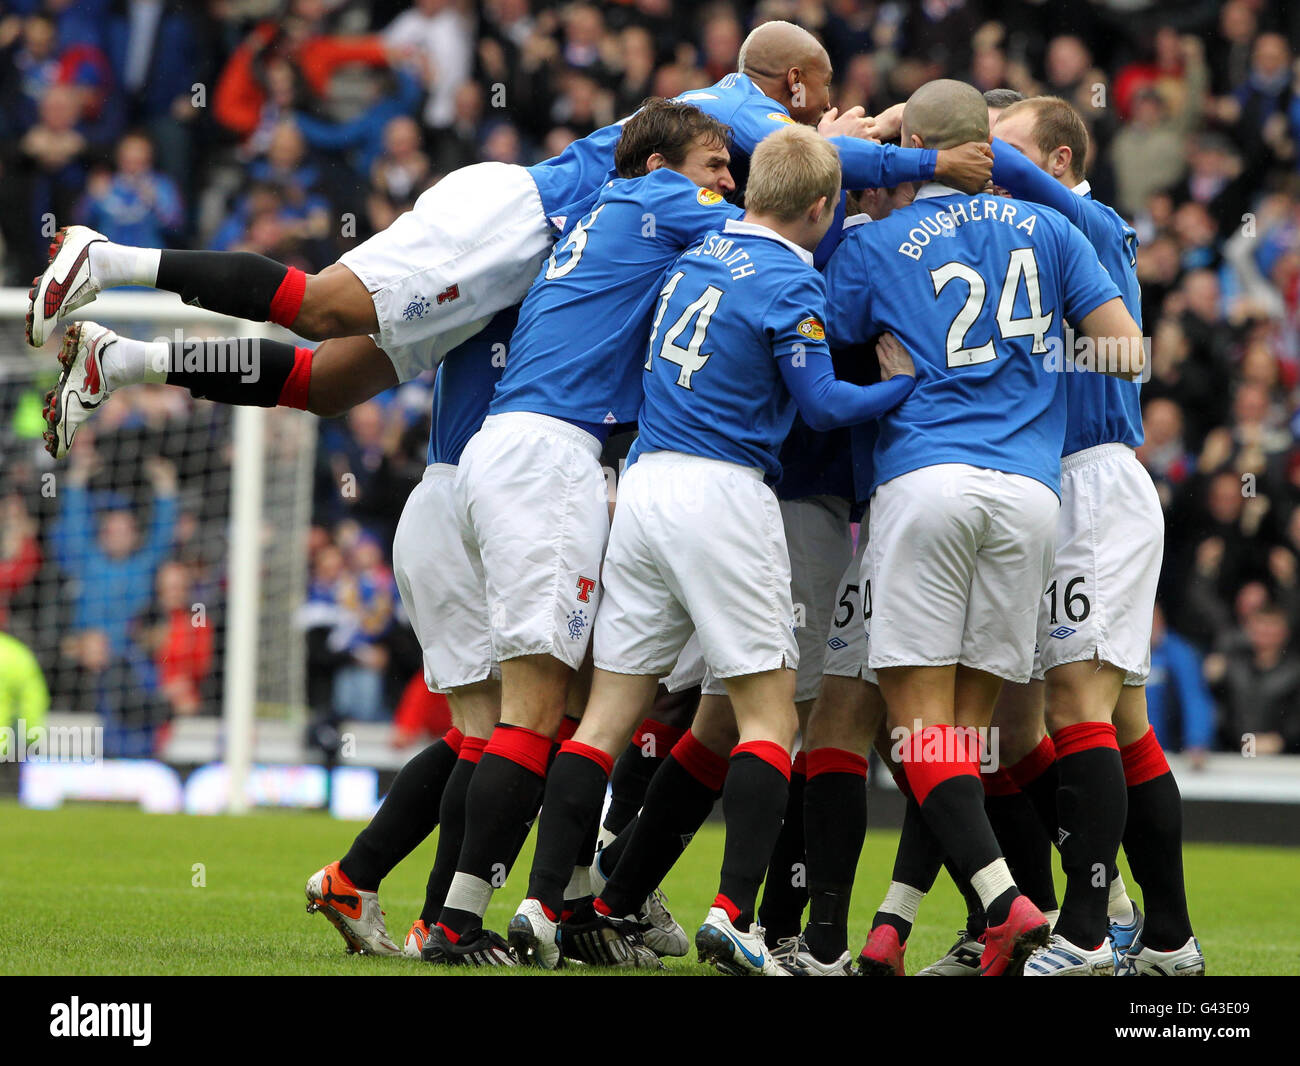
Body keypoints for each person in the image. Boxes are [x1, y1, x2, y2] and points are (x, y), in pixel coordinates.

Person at [36, 20, 992, 457]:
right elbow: (804, 162)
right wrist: (918, 160)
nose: (828, 113)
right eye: (822, 97)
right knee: (326, 306)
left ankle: (121, 361)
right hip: (517, 220)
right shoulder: (736, 102)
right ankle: (106, 256)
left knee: (329, 386)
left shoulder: (747, 138)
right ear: (793, 82)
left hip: (524, 270)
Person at [508, 124, 916, 975]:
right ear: (819, 207)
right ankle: (733, 912)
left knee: (606, 717)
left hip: (646, 485)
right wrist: (899, 381)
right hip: (725, 493)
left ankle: (544, 903)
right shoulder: (790, 280)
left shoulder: (693, 255)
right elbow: (822, 407)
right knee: (769, 716)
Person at [822, 79, 1143, 977]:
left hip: (927, 482)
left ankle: (1004, 904)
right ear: (985, 150)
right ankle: (913, 923)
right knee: (970, 730)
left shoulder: (879, 241)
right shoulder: (1049, 229)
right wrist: (1033, 354)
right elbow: (1125, 348)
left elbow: (826, 324)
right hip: (1034, 498)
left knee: (917, 725)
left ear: (919, 144)